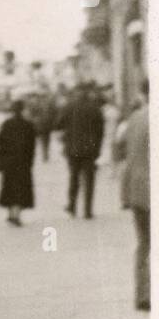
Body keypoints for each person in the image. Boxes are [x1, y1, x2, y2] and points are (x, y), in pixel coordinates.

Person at [122, 79, 150, 311]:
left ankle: (143, 294)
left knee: (144, 243)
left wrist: (125, 193)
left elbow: (128, 157)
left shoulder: (134, 119)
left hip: (137, 190)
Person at [61, 81, 105, 219]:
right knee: (89, 180)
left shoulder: (69, 107)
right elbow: (100, 131)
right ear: (87, 93)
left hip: (73, 150)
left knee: (74, 178)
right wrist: (98, 148)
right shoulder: (95, 108)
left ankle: (72, 206)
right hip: (90, 150)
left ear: (76, 93)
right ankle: (88, 210)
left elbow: (58, 124)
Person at [0, 98, 36, 225]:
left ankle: (11, 214)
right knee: (20, 189)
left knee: (9, 188)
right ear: (22, 110)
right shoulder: (28, 125)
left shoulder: (6, 124)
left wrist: (0, 160)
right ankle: (16, 216)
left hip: (8, 162)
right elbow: (31, 146)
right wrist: (30, 161)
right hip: (22, 162)